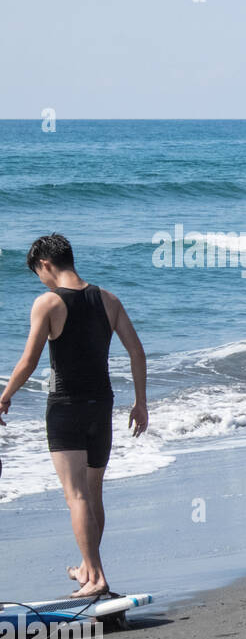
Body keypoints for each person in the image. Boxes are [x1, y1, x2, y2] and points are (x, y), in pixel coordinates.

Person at [0, 234, 148, 598]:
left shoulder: (48, 303)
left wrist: (4, 396)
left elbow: (29, 362)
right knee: (93, 494)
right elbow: (137, 352)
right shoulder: (108, 300)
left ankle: (95, 578)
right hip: (102, 405)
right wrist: (140, 402)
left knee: (76, 496)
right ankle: (87, 567)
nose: (41, 279)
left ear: (45, 264)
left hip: (66, 408)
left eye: (38, 272)